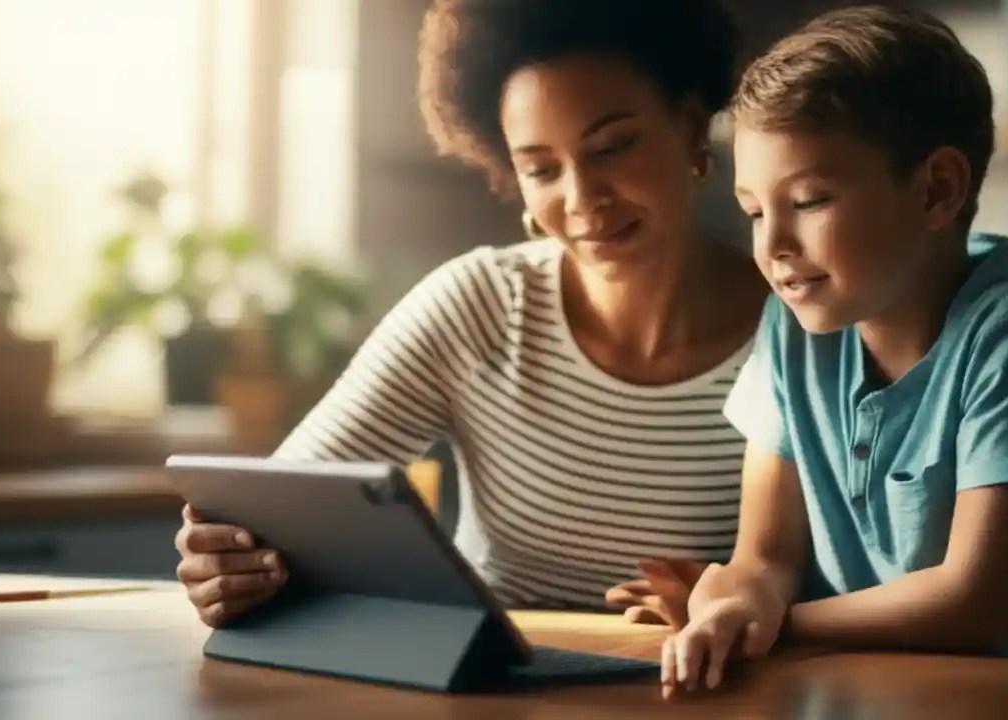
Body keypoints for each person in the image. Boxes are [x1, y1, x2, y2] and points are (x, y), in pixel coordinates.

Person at [173, 0, 770, 628]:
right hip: (488, 685)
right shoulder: (478, 305)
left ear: (692, 127)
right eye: (541, 168)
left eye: (613, 146)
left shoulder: (801, 328)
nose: (582, 199)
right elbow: (287, 504)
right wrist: (230, 558)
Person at [660, 4, 1008, 698]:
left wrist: (774, 621)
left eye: (810, 200)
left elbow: (976, 605)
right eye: (756, 210)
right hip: (862, 697)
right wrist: (732, 603)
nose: (772, 245)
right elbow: (762, 557)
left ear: (937, 189)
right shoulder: (791, 330)